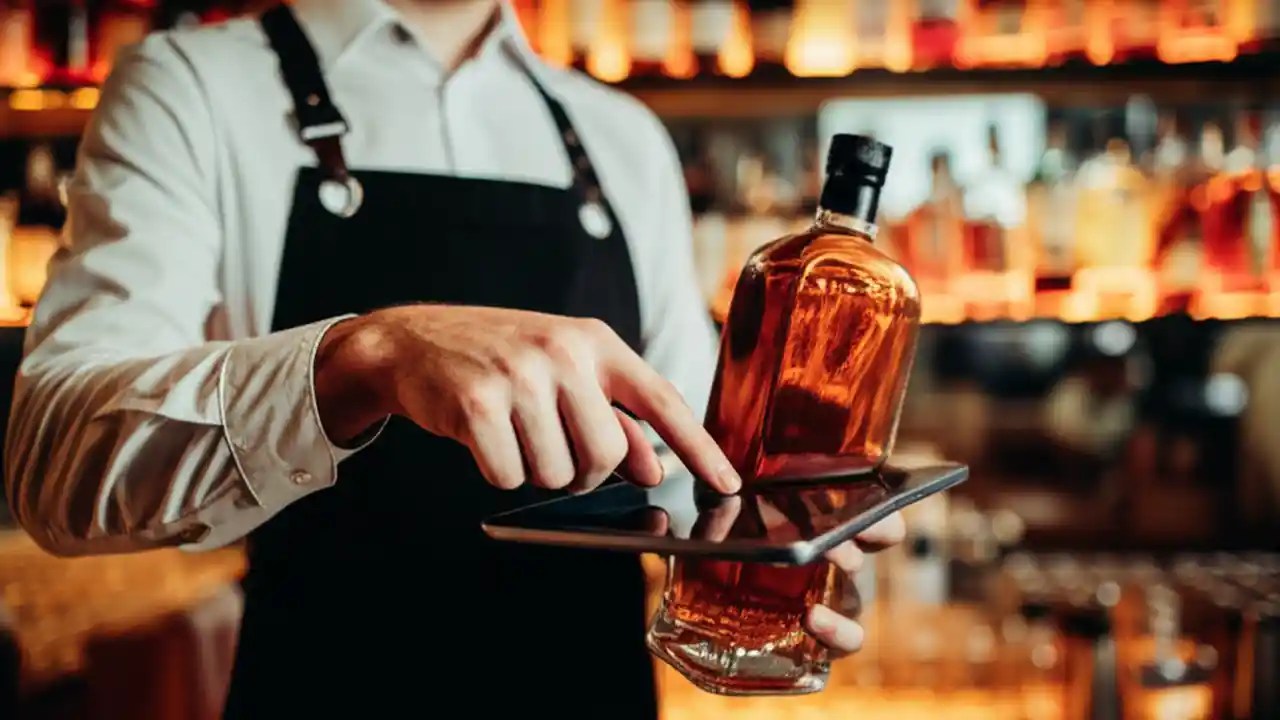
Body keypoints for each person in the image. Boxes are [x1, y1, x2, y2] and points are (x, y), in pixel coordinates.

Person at [3, 0, 903, 716]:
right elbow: (51, 465)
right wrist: (364, 357)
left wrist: (778, 565)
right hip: (324, 692)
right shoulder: (190, 86)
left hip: (593, 699)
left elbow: (692, 480)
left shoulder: (620, 136)